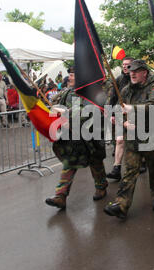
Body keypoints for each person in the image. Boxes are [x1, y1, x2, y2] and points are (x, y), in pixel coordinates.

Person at [104, 60, 154, 219]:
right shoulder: (126, 90)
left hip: (153, 136)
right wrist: (119, 119)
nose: (132, 73)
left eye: (136, 71)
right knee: (130, 170)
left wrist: (132, 109)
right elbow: (120, 109)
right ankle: (121, 204)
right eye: (130, 70)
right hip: (133, 137)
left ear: (144, 73)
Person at [45, 67, 108, 209]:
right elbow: (56, 107)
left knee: (95, 162)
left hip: (91, 135)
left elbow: (90, 111)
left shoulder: (91, 93)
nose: (70, 78)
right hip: (73, 137)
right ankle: (60, 196)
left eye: (72, 75)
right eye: (70, 75)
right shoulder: (67, 92)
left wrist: (68, 115)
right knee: (69, 163)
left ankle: (101, 186)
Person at [106, 57, 134, 181]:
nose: (125, 67)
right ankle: (116, 168)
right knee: (119, 141)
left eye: (128, 65)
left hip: (135, 114)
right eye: (123, 64)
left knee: (136, 141)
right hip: (119, 113)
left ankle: (142, 161)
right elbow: (112, 97)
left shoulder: (137, 79)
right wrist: (111, 113)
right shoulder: (118, 79)